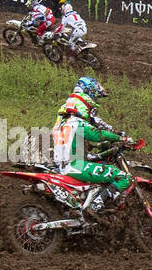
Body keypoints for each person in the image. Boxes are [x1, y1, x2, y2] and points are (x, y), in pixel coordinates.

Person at [51, 77, 132, 216]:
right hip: (75, 166)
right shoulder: (77, 123)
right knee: (124, 177)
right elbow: (97, 135)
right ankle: (95, 206)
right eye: (94, 97)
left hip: (63, 164)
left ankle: (88, 203)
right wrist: (121, 138)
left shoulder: (60, 124)